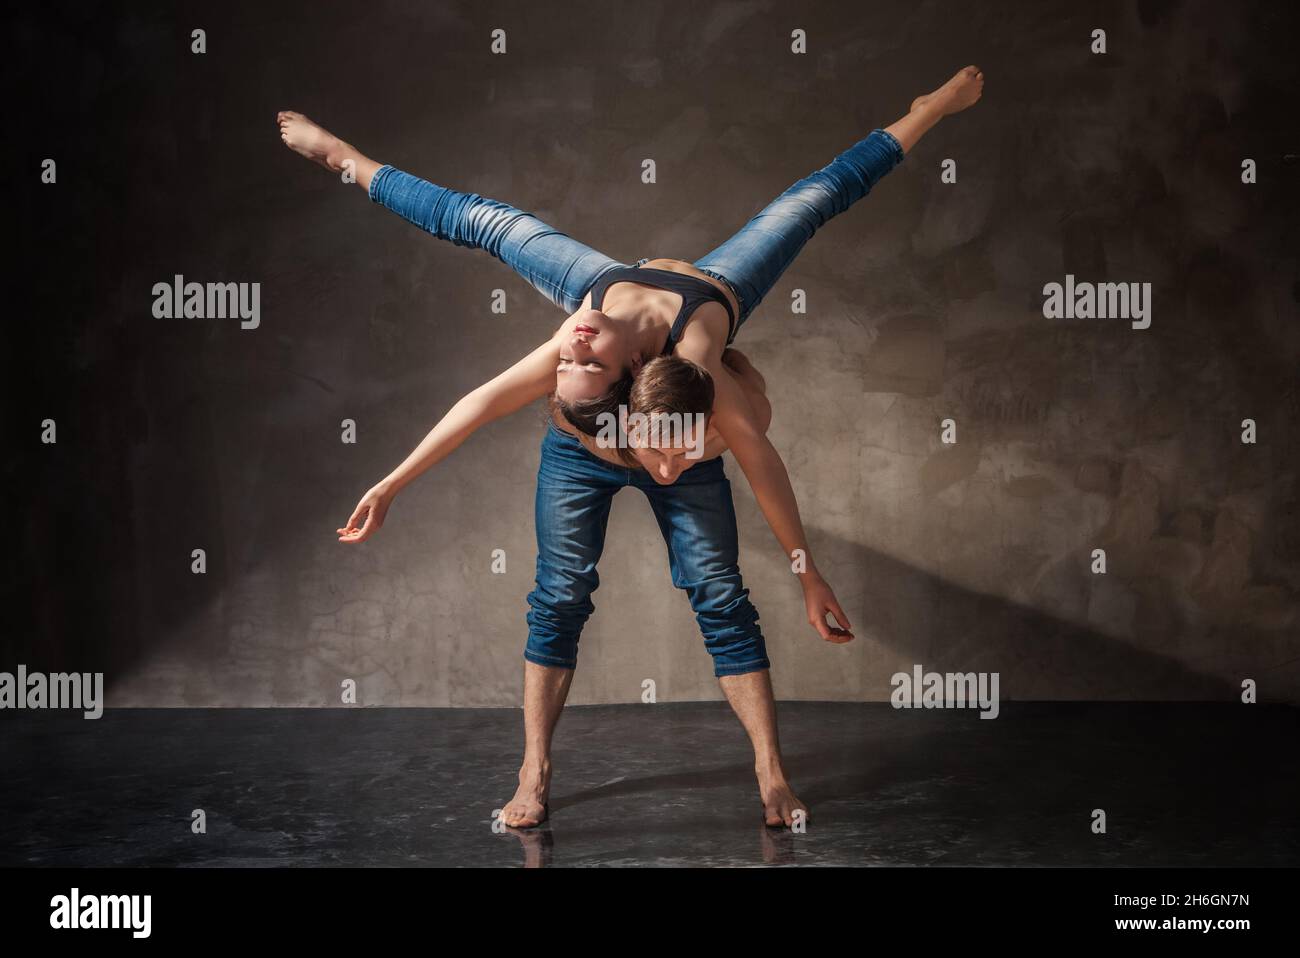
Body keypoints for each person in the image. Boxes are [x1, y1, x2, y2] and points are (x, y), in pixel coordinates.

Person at [276, 65, 984, 827]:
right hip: (587, 438)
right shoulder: (579, 331)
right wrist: (392, 483)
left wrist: (807, 574)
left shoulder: (698, 364)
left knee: (807, 205)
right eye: (577, 357)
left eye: (581, 353)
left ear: (637, 373)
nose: (574, 339)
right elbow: (479, 405)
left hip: (700, 307)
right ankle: (534, 771)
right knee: (557, 592)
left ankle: (772, 774)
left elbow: (764, 465)